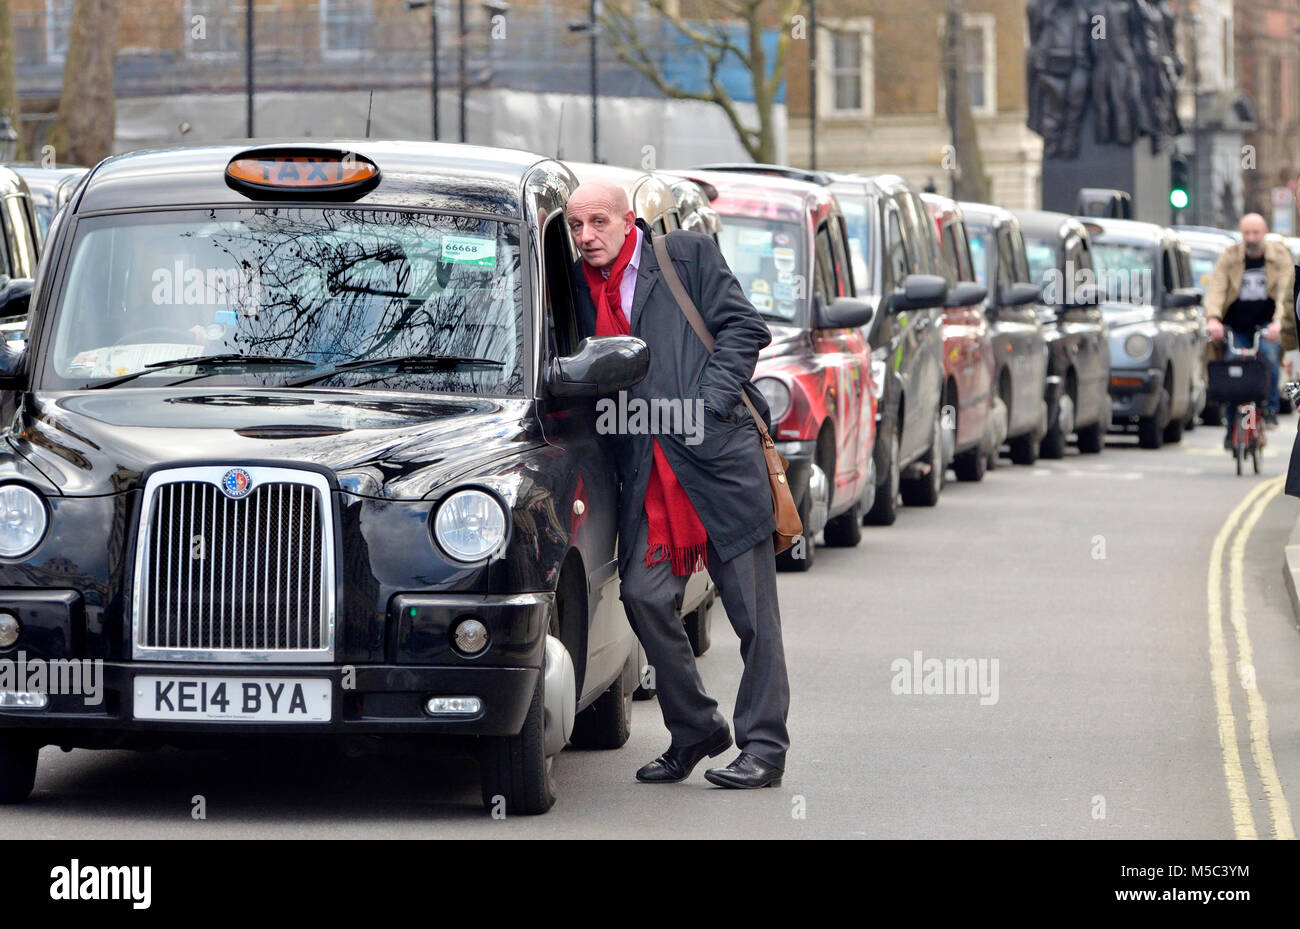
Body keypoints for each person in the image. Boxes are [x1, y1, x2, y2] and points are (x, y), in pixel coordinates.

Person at [566, 180, 790, 789]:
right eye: (577, 226)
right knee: (642, 596)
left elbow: (745, 329)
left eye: (598, 223)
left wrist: (709, 404)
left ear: (628, 220)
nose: (587, 237)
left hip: (719, 465)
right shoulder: (577, 290)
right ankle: (696, 730)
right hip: (649, 475)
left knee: (753, 620)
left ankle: (764, 749)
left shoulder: (684, 255)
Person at [1205, 213, 1297, 434]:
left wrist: (1278, 323)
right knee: (1232, 365)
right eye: (1246, 233)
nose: (1251, 238)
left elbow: (1287, 291)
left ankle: (1270, 407)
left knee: (1269, 355)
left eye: (1256, 233)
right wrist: (1213, 318)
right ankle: (1231, 425)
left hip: (1266, 324)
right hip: (1237, 324)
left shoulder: (1280, 255)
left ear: (1264, 233)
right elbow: (1217, 287)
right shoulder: (1230, 255)